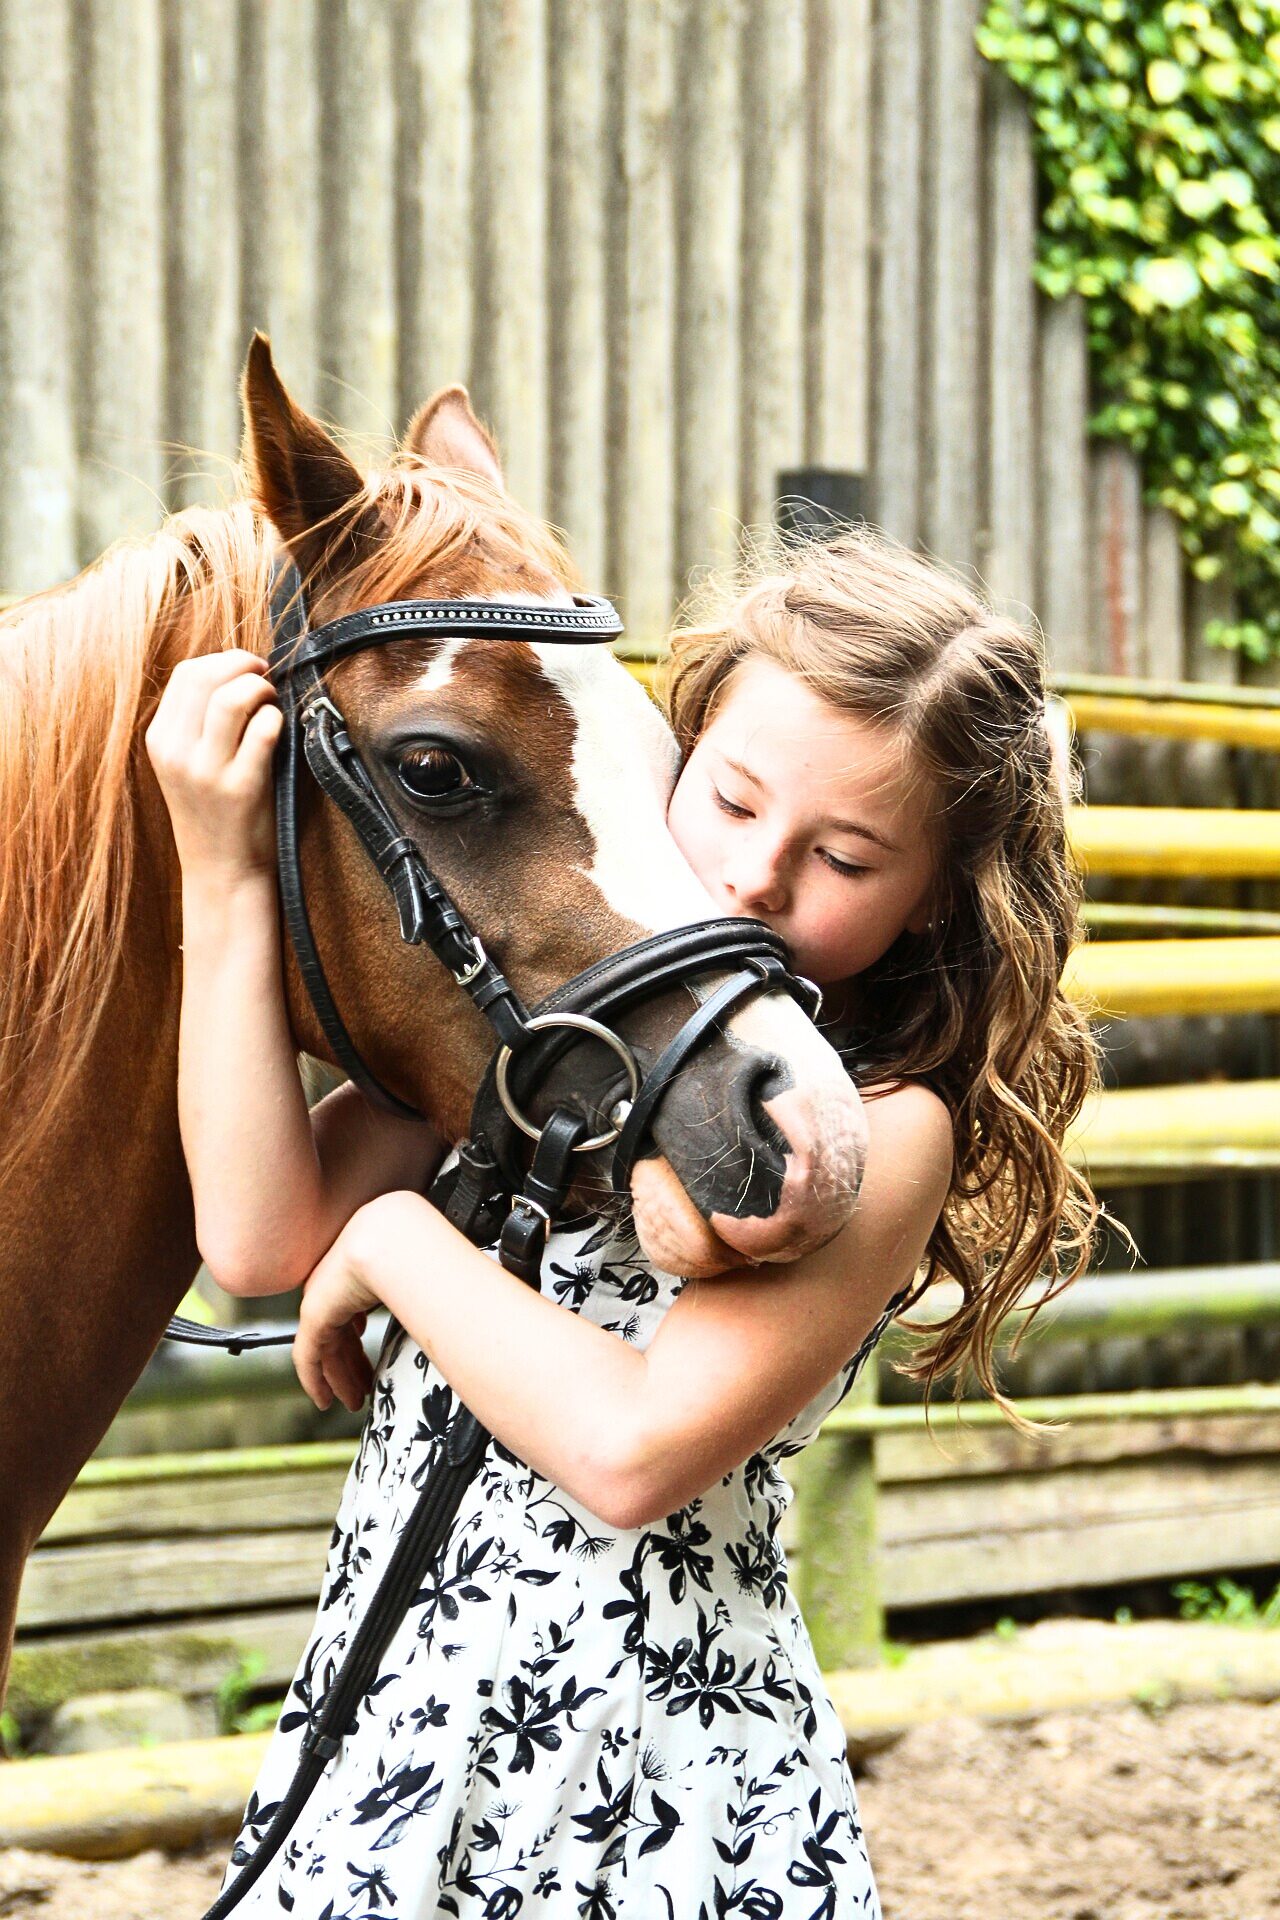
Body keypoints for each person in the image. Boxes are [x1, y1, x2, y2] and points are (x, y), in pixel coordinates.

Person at [146, 527, 1098, 1918]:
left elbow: (634, 1450)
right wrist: (222, 877)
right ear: (674, 749)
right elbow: (257, 1238)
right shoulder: (551, 1034)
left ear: (935, 899)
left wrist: (398, 1245)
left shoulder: (886, 1124)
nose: (758, 876)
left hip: (652, 1782)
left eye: (841, 857)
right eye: (730, 799)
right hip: (404, 1723)